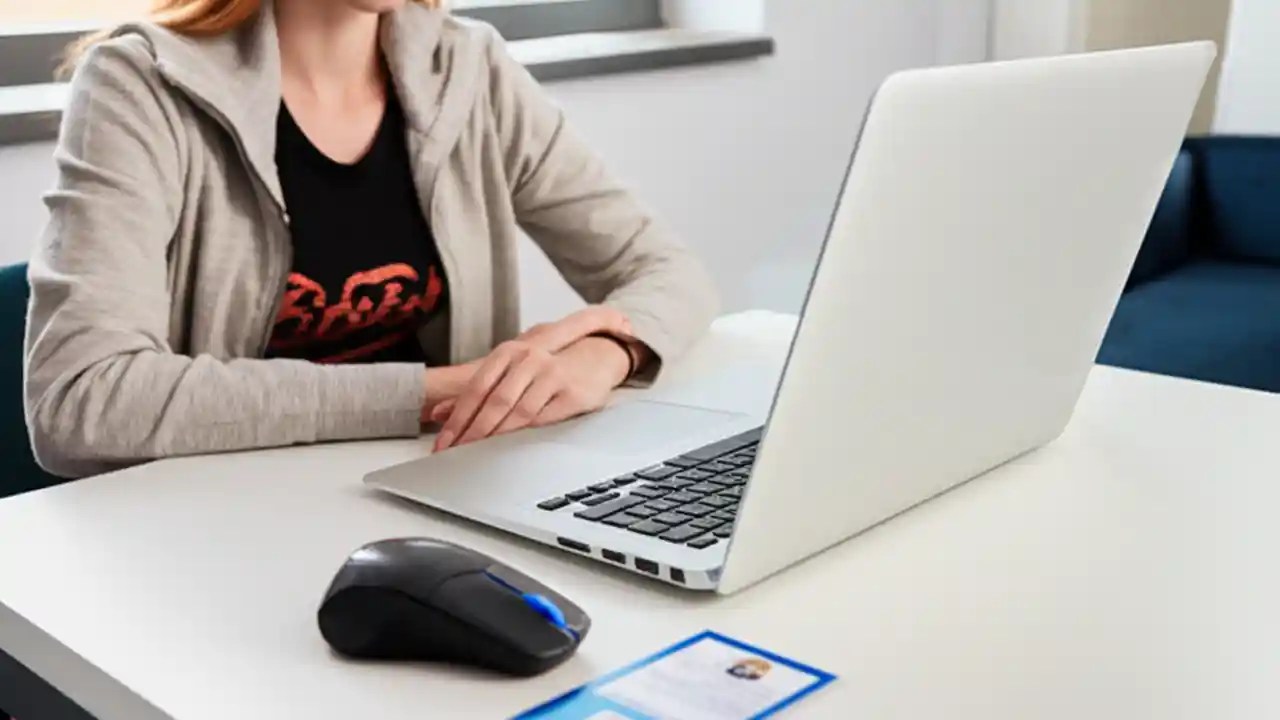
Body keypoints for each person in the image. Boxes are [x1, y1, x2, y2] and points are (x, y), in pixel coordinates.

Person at [23, 0, 717, 479]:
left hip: (436, 493)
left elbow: (666, 271)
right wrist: (447, 389)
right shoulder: (141, 84)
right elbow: (80, 400)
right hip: (215, 518)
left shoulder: (469, 68)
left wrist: (605, 355)